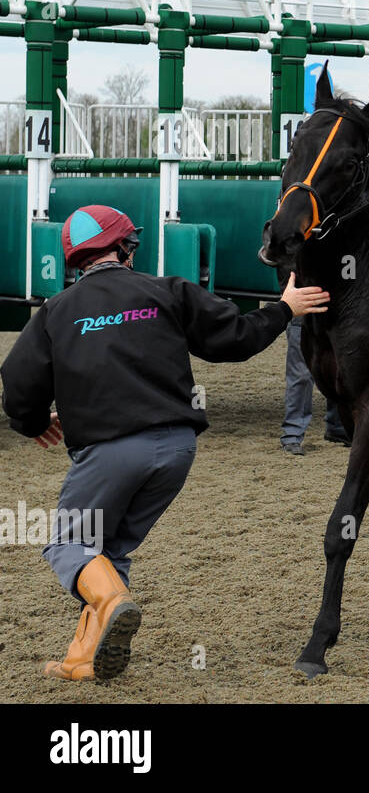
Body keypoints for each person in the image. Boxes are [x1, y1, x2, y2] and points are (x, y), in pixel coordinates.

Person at [0, 205, 328, 682]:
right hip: (177, 449)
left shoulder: (56, 311)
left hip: (110, 450)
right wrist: (284, 309)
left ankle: (113, 602)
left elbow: (18, 382)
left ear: (75, 260)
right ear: (125, 249)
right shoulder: (166, 291)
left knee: (68, 542)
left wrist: (31, 423)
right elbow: (234, 338)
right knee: (107, 550)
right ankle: (84, 660)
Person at [281, 315, 350, 456]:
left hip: (337, 315)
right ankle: (292, 435)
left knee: (338, 370)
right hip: (306, 313)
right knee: (302, 375)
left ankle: (336, 426)